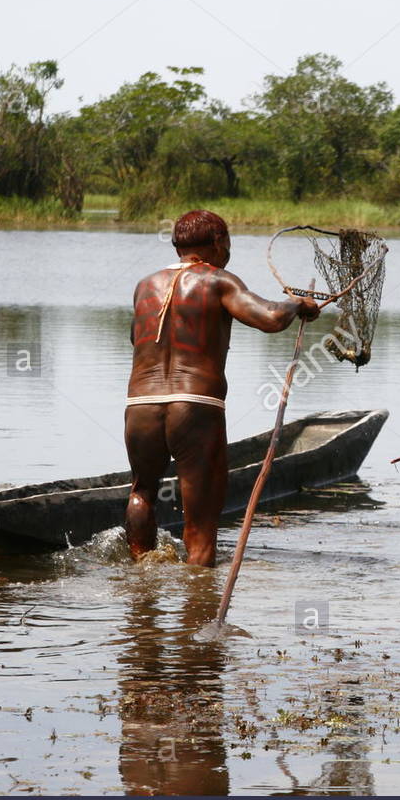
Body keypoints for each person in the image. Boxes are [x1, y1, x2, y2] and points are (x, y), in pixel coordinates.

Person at [124, 209, 318, 567]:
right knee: (201, 522)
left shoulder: (144, 285)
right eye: (227, 243)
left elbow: (136, 337)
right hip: (195, 405)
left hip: (141, 404)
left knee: (142, 492)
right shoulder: (218, 280)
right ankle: (199, 600)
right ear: (217, 243)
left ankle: (140, 575)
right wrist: (297, 304)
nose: (228, 251)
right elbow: (271, 318)